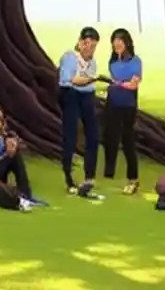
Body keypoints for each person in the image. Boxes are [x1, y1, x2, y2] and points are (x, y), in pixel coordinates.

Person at [58, 26, 103, 199]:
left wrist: (93, 81)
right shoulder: (70, 57)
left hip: (87, 96)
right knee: (70, 135)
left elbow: (88, 84)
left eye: (93, 46)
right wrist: (94, 79)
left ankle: (89, 177)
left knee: (93, 135)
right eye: (86, 43)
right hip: (70, 94)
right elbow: (73, 80)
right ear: (80, 42)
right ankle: (69, 178)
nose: (88, 48)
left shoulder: (92, 62)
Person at [102, 28, 142, 194]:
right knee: (109, 137)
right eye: (114, 41)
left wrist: (116, 83)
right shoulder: (113, 62)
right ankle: (108, 172)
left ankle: (133, 176)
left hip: (128, 106)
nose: (117, 44)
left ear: (127, 43)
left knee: (127, 141)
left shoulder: (135, 61)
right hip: (112, 104)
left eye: (120, 41)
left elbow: (134, 84)